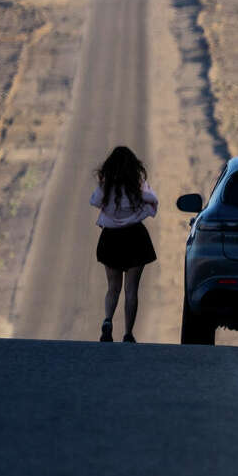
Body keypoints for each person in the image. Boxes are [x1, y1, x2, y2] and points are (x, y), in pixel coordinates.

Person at [90, 145, 159, 341]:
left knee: (112, 287)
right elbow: (153, 201)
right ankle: (128, 333)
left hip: (110, 239)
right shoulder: (137, 186)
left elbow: (94, 201)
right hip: (135, 239)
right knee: (131, 290)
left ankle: (108, 320)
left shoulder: (106, 188)